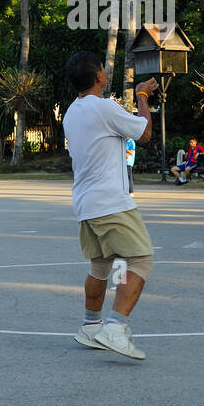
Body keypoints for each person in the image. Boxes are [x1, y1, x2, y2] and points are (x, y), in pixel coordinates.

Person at [62, 51, 157, 360]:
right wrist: (142, 96)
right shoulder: (103, 108)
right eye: (103, 70)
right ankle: (115, 327)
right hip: (111, 202)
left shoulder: (72, 112)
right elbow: (144, 133)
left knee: (101, 266)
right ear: (99, 77)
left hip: (86, 203)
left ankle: (91, 326)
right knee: (141, 261)